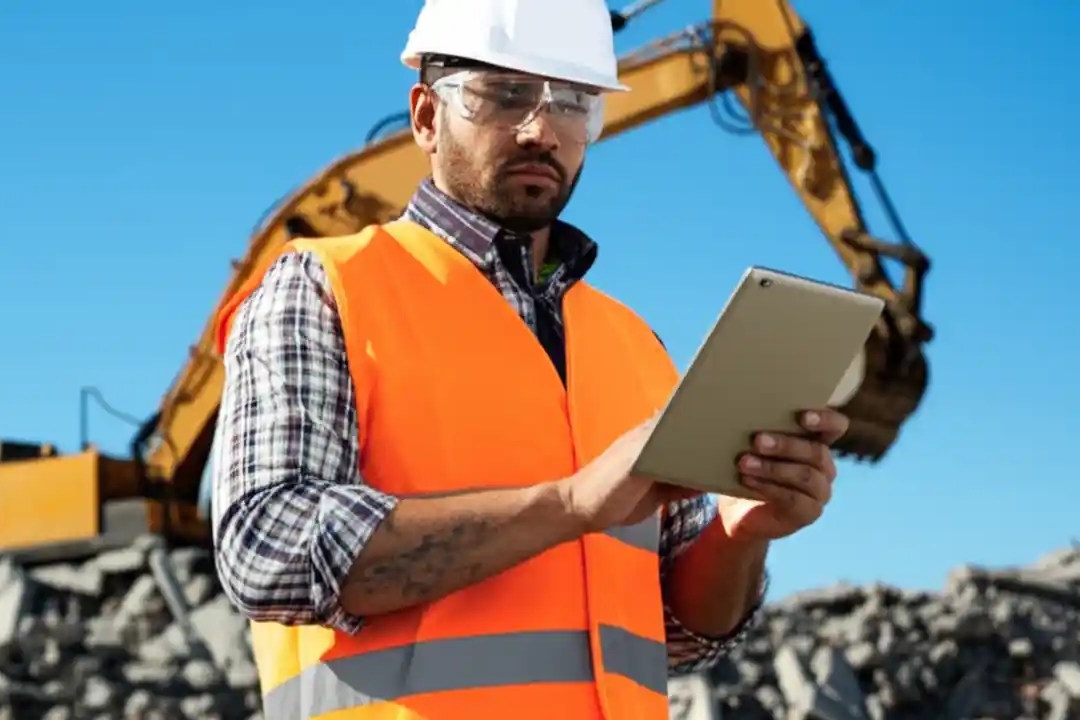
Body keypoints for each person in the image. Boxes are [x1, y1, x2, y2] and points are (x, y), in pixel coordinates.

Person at [209, 0, 849, 717]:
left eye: (573, 102)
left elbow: (679, 632)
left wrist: (744, 529)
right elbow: (268, 550)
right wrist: (571, 504)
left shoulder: (632, 343)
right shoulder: (325, 287)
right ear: (425, 116)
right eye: (503, 94)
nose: (541, 129)